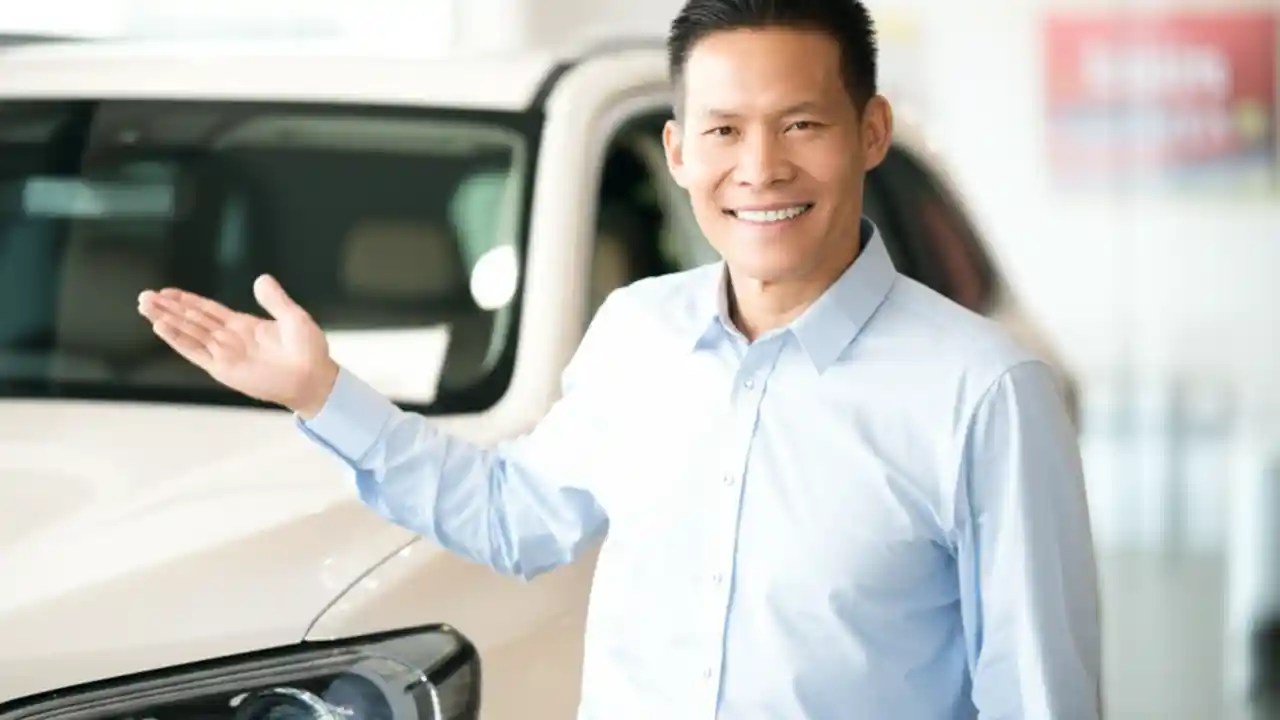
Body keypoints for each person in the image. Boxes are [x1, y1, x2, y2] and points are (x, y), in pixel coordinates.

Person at [136, 0, 1102, 716]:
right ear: (680, 152)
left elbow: (1040, 692)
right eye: (723, 130)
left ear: (871, 132)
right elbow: (518, 520)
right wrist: (321, 392)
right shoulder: (639, 334)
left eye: (800, 124)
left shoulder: (984, 389)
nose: (759, 167)